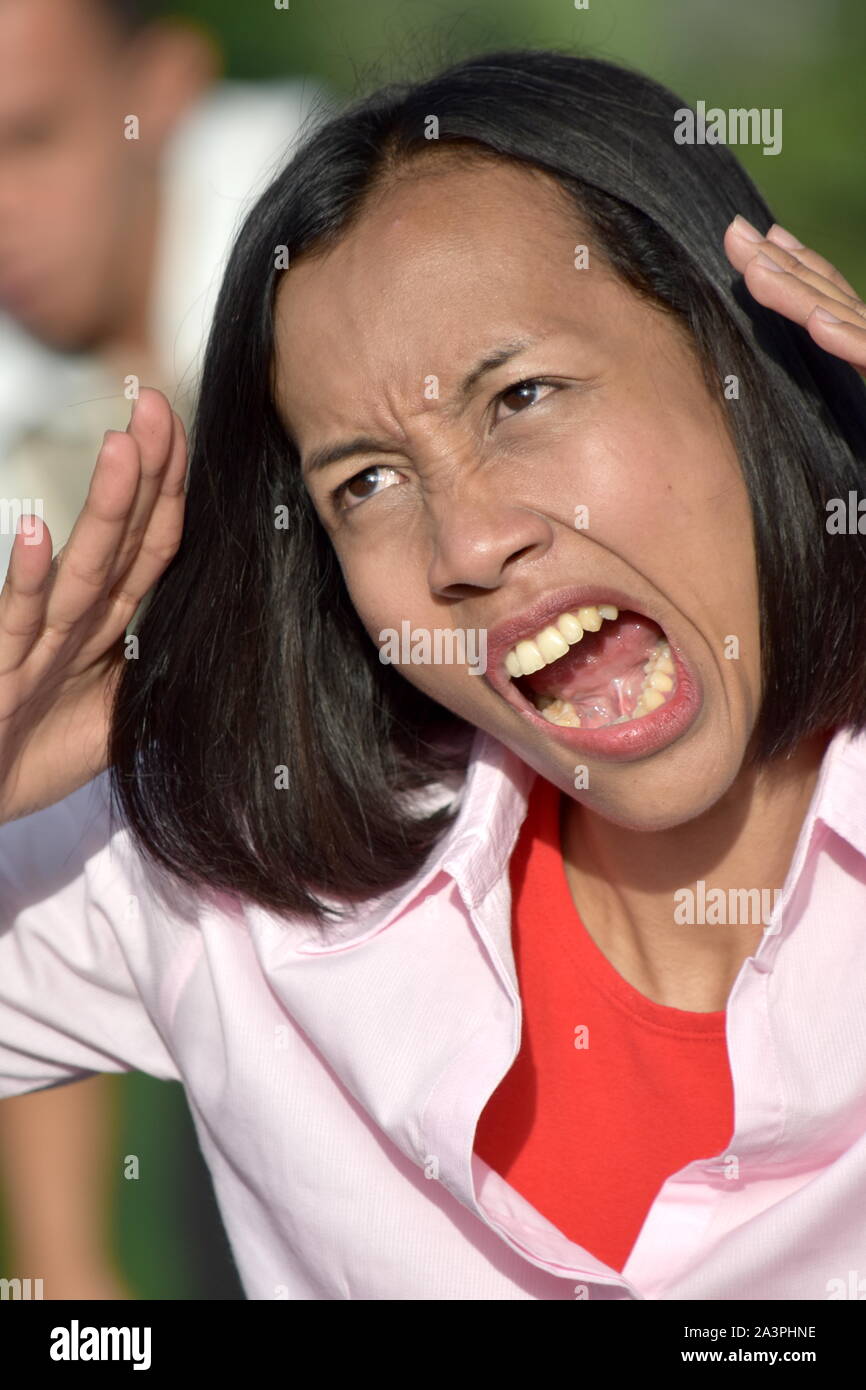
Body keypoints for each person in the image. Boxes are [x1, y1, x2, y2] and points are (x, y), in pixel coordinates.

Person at [1, 47, 865, 1300]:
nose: (466, 544)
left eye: (519, 396)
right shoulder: (240, 885)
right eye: (364, 481)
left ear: (743, 369)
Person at [0, 0, 326, 1297]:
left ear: (170, 85)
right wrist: (71, 1278)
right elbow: (46, 847)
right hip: (252, 1025)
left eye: (27, 137)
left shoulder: (364, 248)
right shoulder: (29, 420)